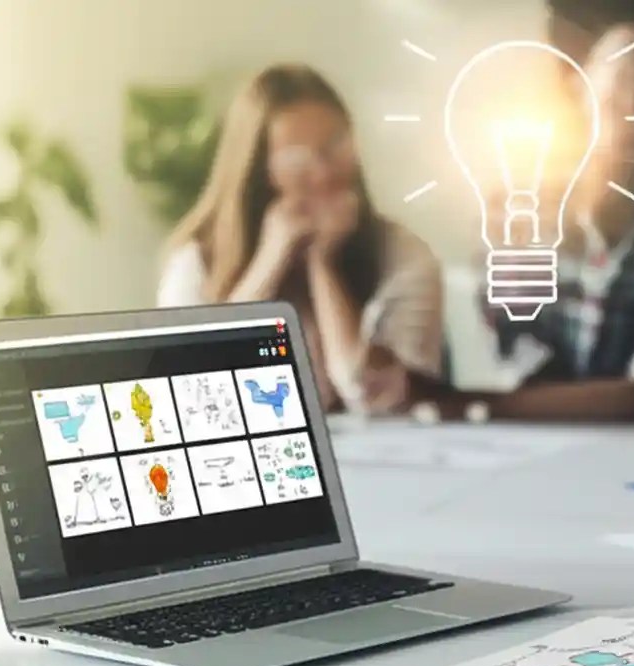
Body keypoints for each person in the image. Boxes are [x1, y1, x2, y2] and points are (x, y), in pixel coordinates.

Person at [417, 5, 634, 422]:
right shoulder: (511, 213)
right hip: (526, 446)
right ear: (579, 81)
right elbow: (524, 362)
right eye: (621, 75)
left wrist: (471, 404)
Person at [157, 64, 444, 415]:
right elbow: (194, 394)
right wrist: (270, 260)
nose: (323, 173)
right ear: (261, 171)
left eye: (336, 146)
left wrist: (323, 264)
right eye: (296, 159)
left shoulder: (404, 256)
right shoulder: (197, 260)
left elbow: (372, 396)